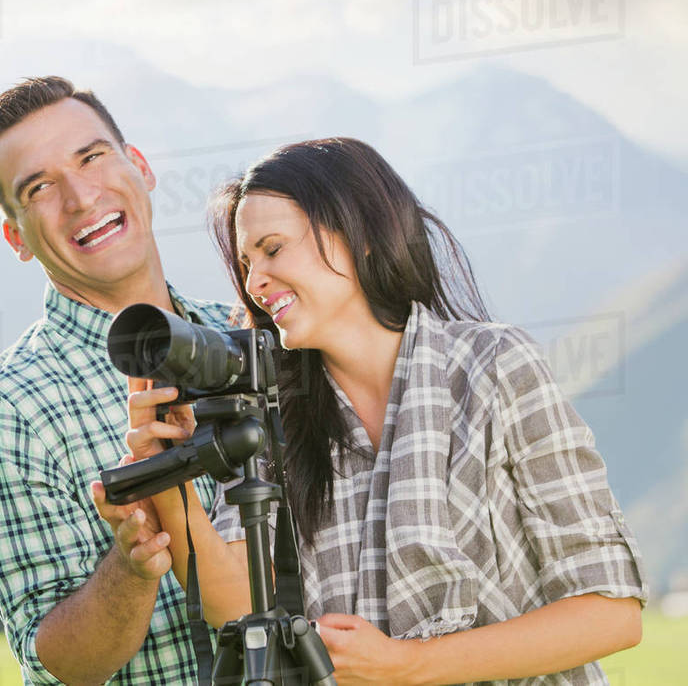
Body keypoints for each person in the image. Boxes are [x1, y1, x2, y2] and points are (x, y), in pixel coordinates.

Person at [105, 137, 648, 686]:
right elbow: (242, 609)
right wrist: (171, 481)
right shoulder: (270, 416)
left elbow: (610, 611)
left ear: (359, 235)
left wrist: (412, 666)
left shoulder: (495, 367)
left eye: (272, 249)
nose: (254, 282)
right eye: (245, 263)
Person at [0, 76, 234, 686]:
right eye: (40, 187)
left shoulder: (248, 335)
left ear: (141, 167)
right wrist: (131, 568)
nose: (80, 196)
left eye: (92, 156)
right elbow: (55, 664)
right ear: (16, 238)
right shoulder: (6, 411)